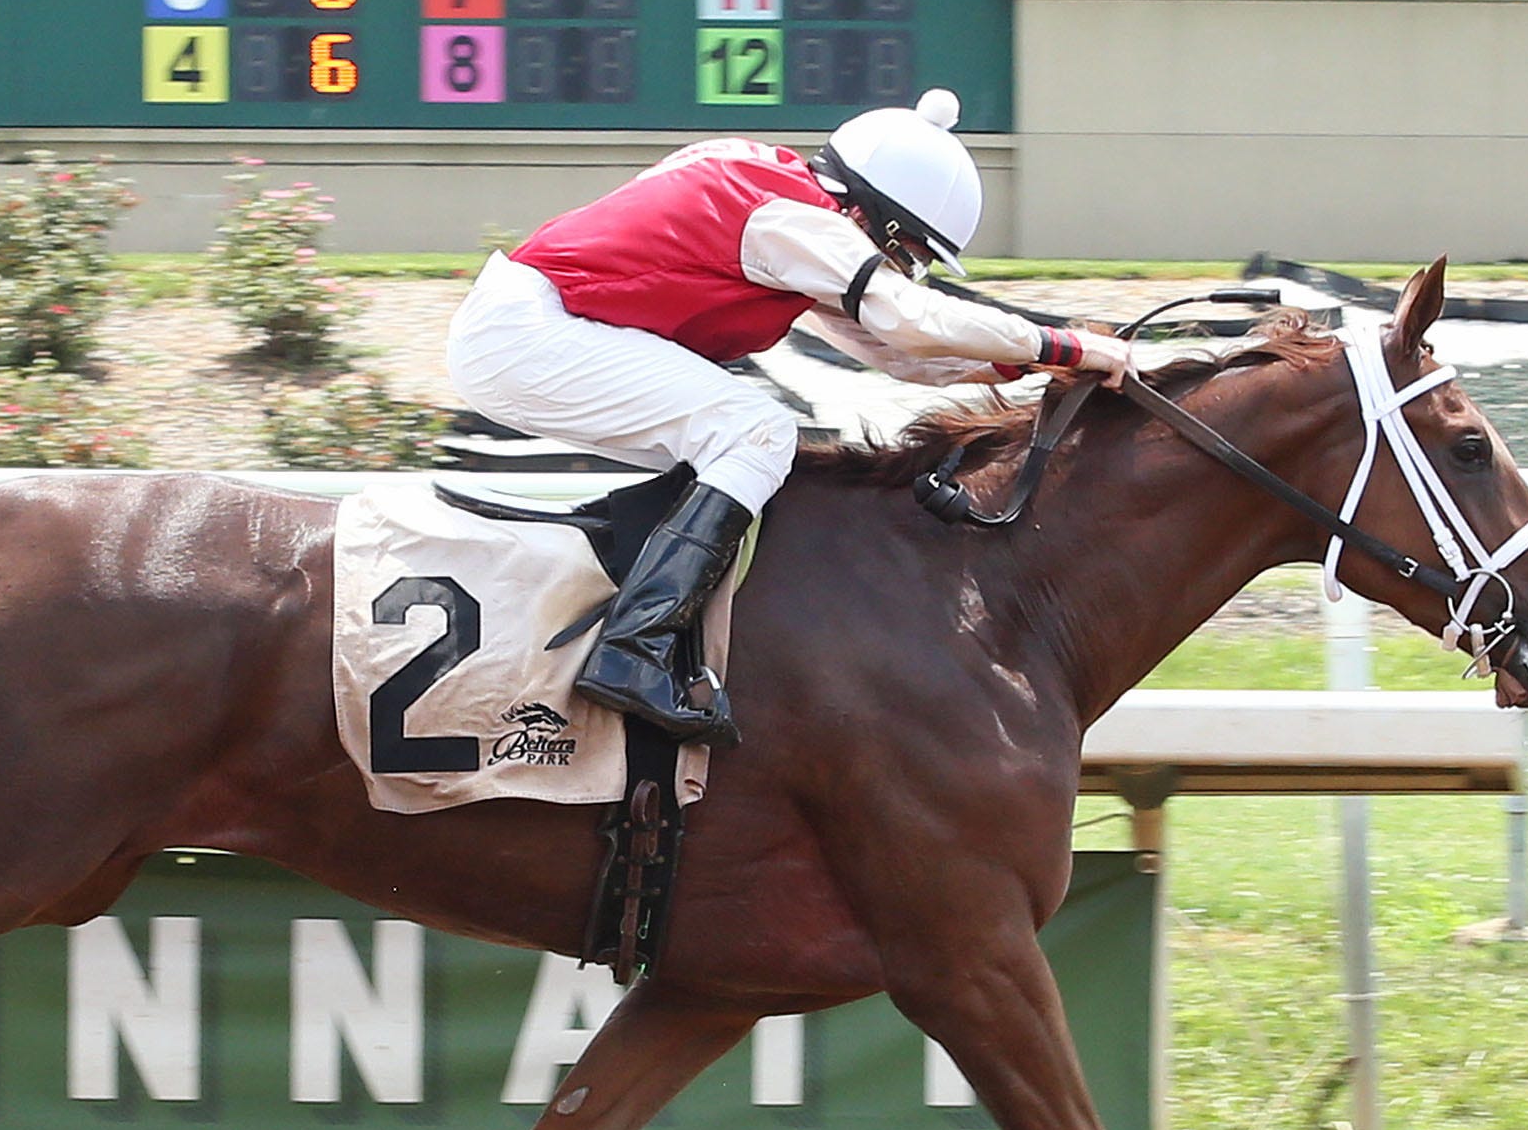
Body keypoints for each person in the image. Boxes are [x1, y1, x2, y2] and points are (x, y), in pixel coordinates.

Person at [445, 89, 1126, 743]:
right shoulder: (791, 219)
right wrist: (1063, 344)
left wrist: (1042, 364)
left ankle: (637, 632)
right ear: (875, 218)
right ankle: (633, 648)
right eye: (910, 253)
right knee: (757, 430)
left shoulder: (786, 203)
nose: (905, 269)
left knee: (735, 453)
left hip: (527, 328)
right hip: (528, 335)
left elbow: (900, 355)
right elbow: (911, 319)